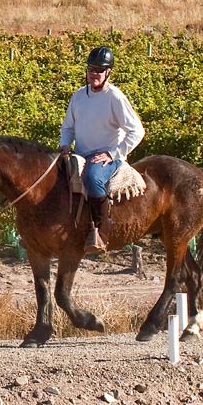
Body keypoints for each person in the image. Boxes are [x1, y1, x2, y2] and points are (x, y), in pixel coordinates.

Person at [59, 45, 144, 251]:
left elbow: (137, 131)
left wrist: (113, 153)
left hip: (106, 156)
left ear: (108, 72)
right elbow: (68, 127)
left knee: (92, 177)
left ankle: (101, 231)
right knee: (54, 174)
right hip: (80, 153)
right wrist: (65, 144)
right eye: (91, 69)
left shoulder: (115, 97)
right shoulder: (78, 96)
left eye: (99, 70)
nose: (94, 74)